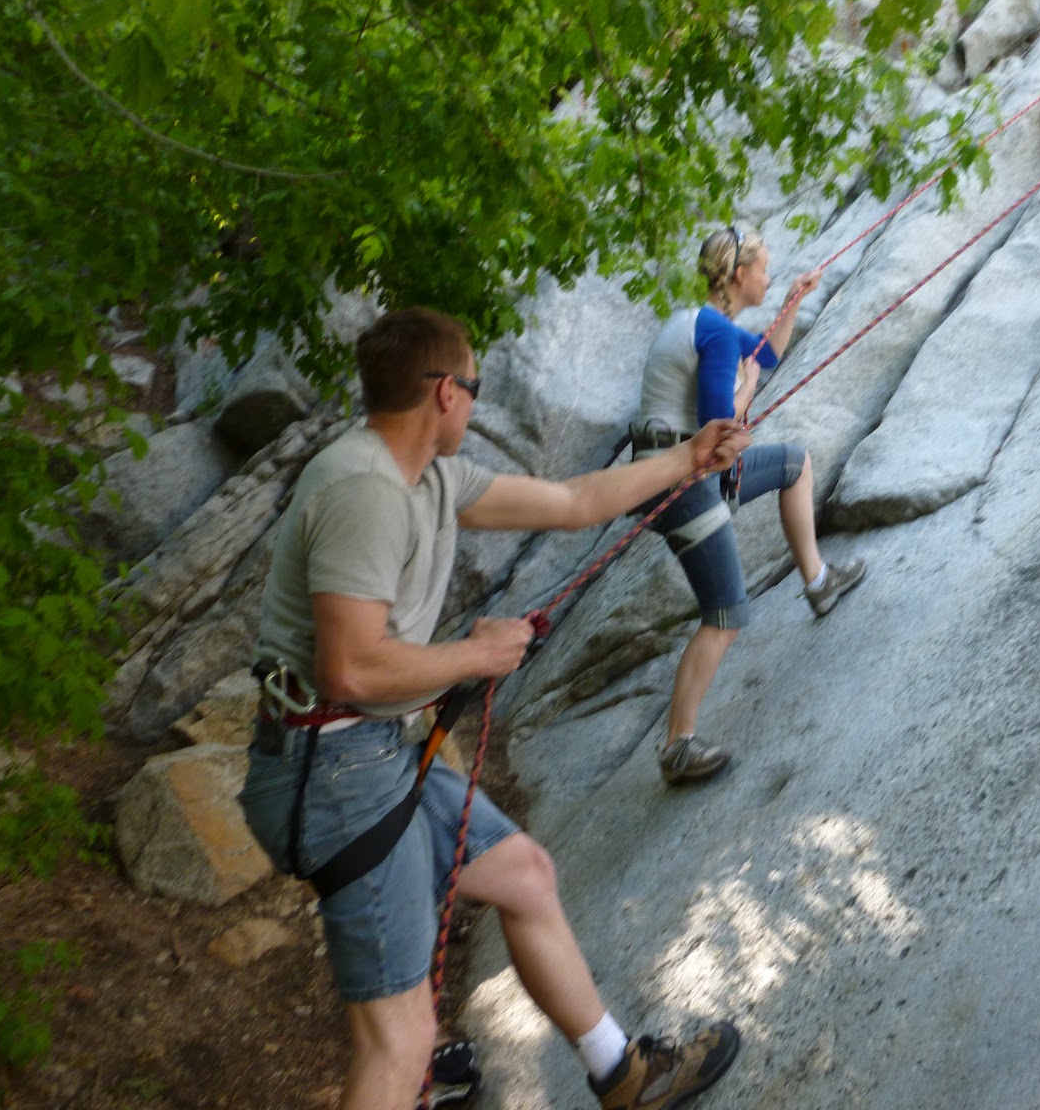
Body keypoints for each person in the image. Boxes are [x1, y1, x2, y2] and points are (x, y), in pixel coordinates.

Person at [240, 307, 748, 1110]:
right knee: (399, 1039)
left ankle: (622, 1075)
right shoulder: (363, 487)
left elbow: (574, 501)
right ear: (446, 391)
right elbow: (349, 666)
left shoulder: (431, 477)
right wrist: (475, 656)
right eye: (473, 389)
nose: (475, 405)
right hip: (331, 773)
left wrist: (686, 456)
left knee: (524, 874)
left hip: (369, 752)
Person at [631, 225, 866, 788]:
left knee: (794, 464)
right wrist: (749, 388)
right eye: (764, 269)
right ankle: (677, 746)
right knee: (726, 611)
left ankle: (819, 582)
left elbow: (766, 353)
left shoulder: (707, 324)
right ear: (739, 275)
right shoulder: (713, 332)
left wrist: (794, 300)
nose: (769, 276)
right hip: (682, 479)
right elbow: (719, 425)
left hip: (678, 470)